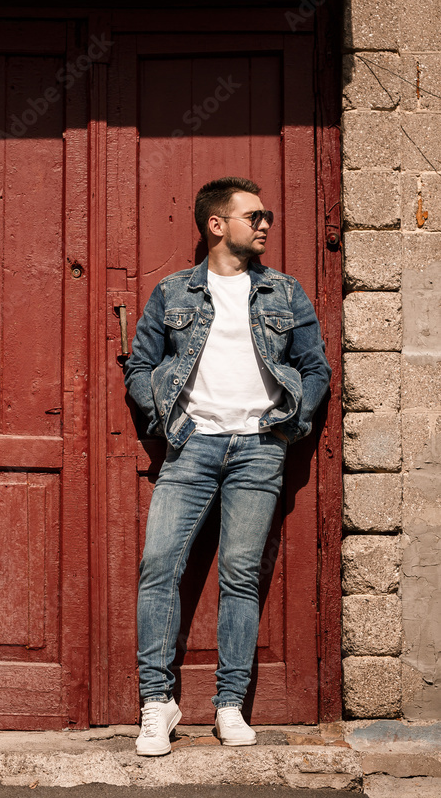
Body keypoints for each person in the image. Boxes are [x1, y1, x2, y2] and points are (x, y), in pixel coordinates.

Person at [124, 176, 332, 755]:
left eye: (266, 216)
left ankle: (230, 705)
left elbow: (316, 370)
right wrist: (167, 418)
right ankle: (157, 704)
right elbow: (139, 367)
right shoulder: (172, 293)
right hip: (191, 447)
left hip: (260, 449)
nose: (265, 223)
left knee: (241, 577)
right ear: (217, 224)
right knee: (159, 567)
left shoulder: (285, 293)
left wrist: (287, 423)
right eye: (254, 215)